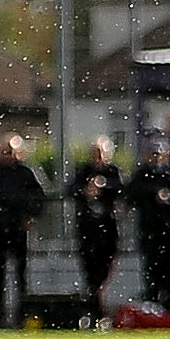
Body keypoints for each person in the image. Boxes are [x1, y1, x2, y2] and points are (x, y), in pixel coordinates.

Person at [0, 135, 47, 324]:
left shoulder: (26, 173)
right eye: (4, 152)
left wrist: (30, 215)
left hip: (18, 230)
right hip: (0, 230)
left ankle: (22, 313)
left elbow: (39, 197)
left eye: (10, 152)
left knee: (21, 274)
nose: (7, 156)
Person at [129, 137, 170, 309]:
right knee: (152, 273)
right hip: (151, 232)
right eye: (153, 154)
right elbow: (131, 194)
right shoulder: (143, 175)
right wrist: (153, 195)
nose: (157, 158)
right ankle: (154, 307)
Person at [68, 137, 122, 323]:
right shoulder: (83, 172)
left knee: (104, 272)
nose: (97, 159)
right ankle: (96, 312)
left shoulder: (112, 172)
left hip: (107, 232)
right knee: (90, 274)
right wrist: (86, 190)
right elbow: (71, 189)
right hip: (88, 232)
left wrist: (103, 186)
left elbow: (122, 189)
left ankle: (99, 310)